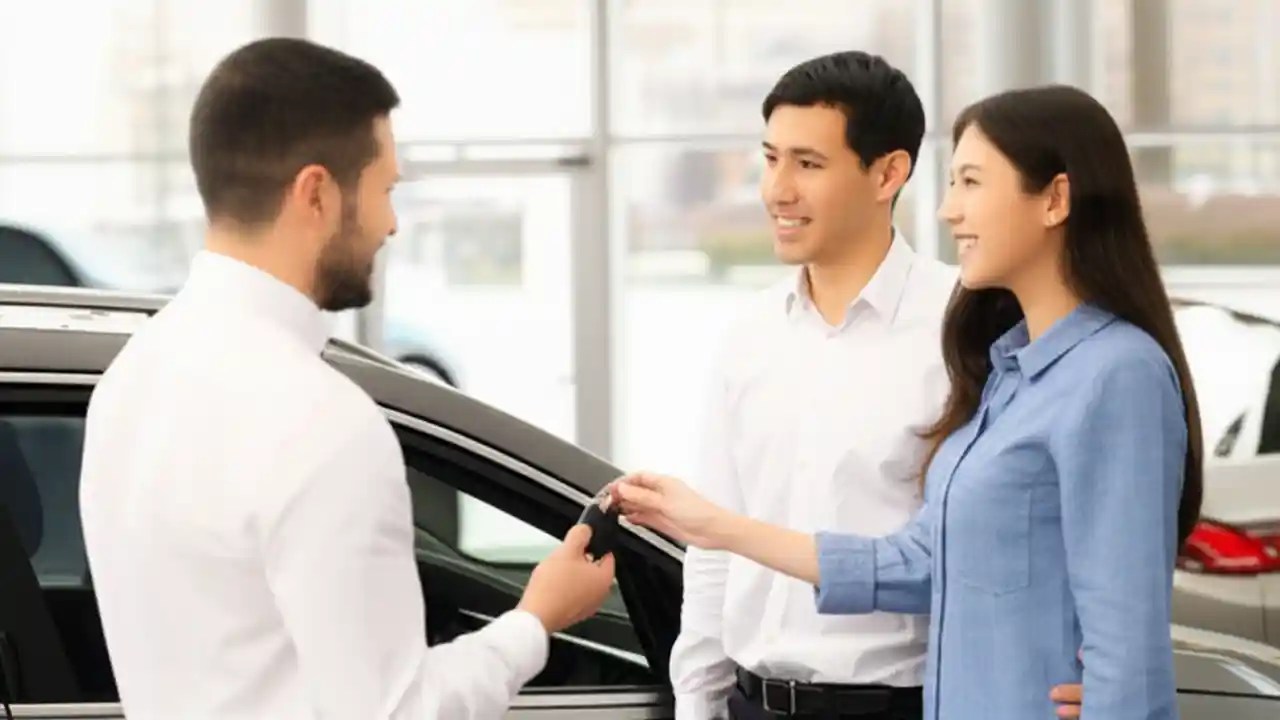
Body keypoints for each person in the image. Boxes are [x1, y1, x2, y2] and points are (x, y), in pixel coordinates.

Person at [613, 84, 1203, 720]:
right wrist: (718, 528)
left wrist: (1120, 705)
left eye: (972, 182)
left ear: (1055, 198)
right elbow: (923, 558)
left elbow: (1128, 639)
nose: (950, 210)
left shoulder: (1117, 373)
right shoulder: (1008, 369)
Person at [78, 38, 615, 720]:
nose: (391, 224)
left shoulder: (130, 378)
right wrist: (536, 620)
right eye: (385, 190)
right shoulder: (321, 421)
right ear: (317, 193)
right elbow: (395, 712)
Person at [654, 51, 1080, 720]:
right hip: (751, 703)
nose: (777, 190)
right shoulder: (747, 336)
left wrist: (1074, 667)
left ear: (889, 173)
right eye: (770, 160)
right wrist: (696, 703)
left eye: (808, 164)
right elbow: (713, 547)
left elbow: (1023, 535)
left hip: (902, 705)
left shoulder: (968, 329)